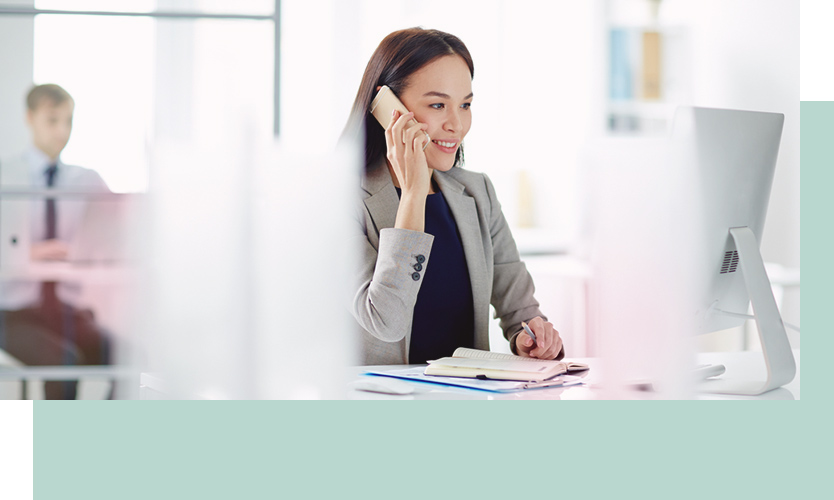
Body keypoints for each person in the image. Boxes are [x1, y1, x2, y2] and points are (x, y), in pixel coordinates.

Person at [344, 28, 565, 365]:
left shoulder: (478, 193)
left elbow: (521, 312)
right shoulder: (338, 201)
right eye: (438, 105)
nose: (457, 125)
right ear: (388, 108)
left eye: (465, 105)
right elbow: (386, 321)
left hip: (467, 392)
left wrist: (532, 339)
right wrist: (414, 193)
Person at [0, 83, 112, 399]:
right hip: (11, 312)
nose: (62, 131)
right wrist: (29, 253)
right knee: (64, 364)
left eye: (68, 121)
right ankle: (57, 433)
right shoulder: (5, 177)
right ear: (30, 118)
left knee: (125, 355)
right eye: (52, 120)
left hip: (64, 309)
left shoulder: (87, 181)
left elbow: (116, 231)